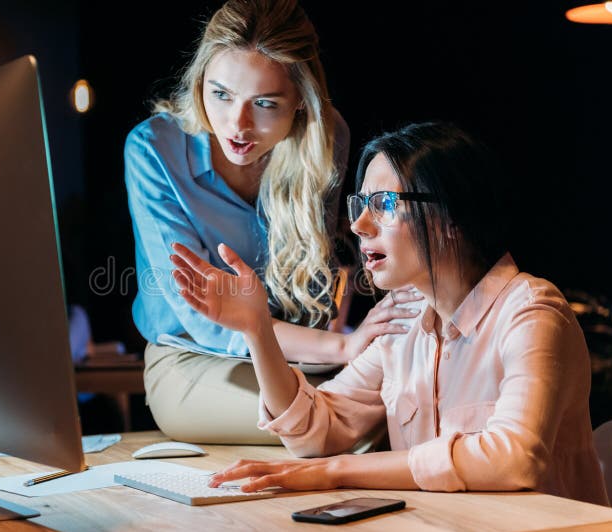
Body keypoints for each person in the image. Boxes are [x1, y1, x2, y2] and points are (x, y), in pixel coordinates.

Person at [171, 121, 609, 505]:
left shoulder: (531, 312)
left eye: (382, 204)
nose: (360, 226)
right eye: (359, 206)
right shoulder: (403, 320)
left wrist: (339, 471)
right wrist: (257, 329)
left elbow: (515, 458)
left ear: (451, 215)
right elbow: (316, 431)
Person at [124, 0, 420, 444]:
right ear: (200, 81)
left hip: (303, 354)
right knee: (335, 425)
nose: (236, 125)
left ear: (301, 101)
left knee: (407, 401)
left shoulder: (326, 136)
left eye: (264, 103)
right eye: (220, 94)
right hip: (192, 359)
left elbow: (316, 276)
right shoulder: (152, 150)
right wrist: (343, 347)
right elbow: (204, 320)